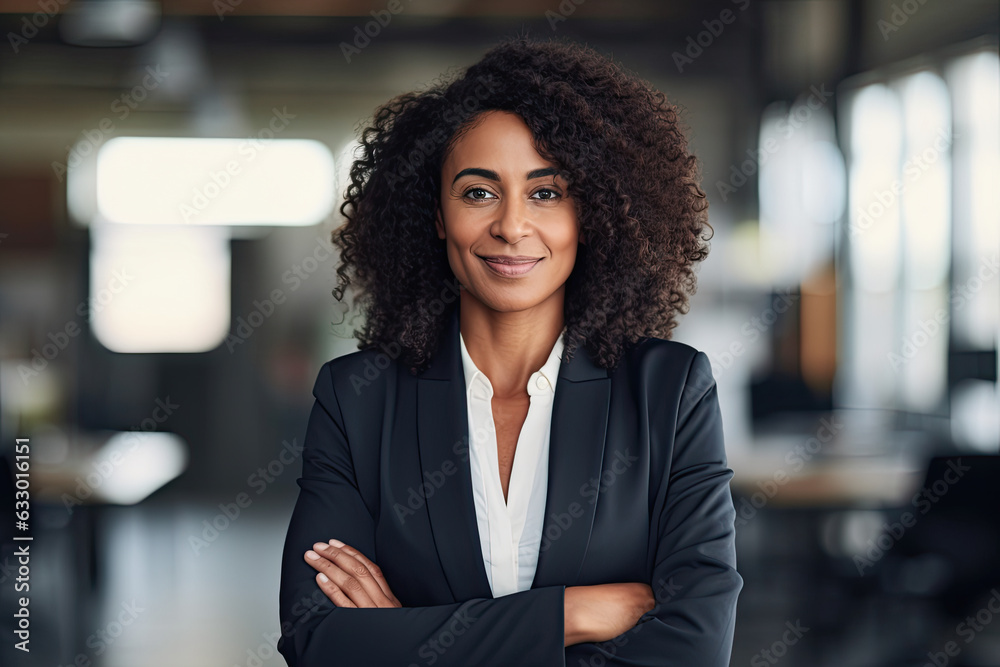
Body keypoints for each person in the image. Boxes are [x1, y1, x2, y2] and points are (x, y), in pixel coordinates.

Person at [277, 35, 742, 666]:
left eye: (546, 192)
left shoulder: (669, 390)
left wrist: (410, 636)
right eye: (478, 192)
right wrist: (573, 614)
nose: (512, 226)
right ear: (437, 214)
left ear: (594, 212)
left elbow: (695, 648)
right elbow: (319, 642)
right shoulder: (357, 399)